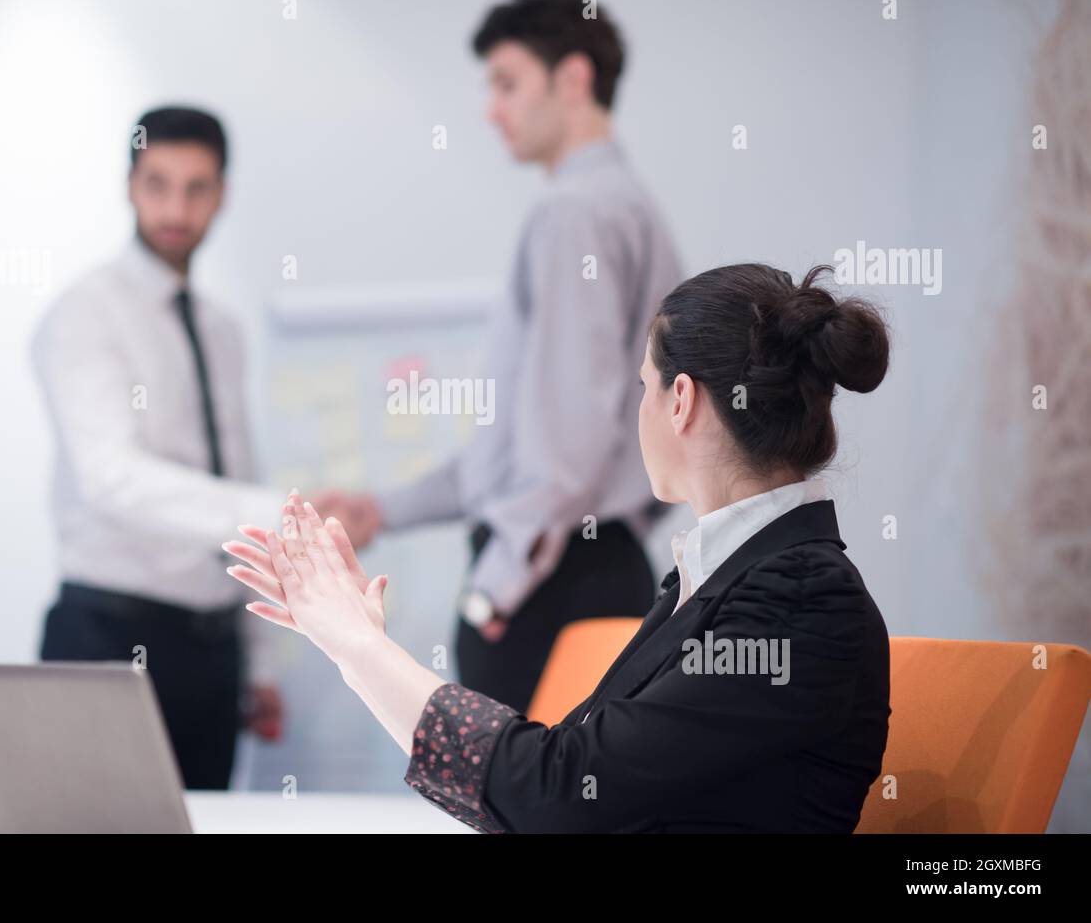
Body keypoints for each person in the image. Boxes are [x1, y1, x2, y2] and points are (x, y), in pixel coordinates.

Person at [225, 262, 893, 832]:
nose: (639, 409)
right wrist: (358, 651)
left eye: (643, 387)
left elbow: (560, 793)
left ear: (680, 399)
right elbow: (558, 784)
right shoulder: (730, 577)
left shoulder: (798, 599)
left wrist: (361, 649)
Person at [317, 0, 683, 714]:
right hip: (594, 565)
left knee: (518, 811)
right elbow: (535, 445)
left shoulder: (573, 213)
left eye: (507, 82)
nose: (491, 108)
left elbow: (566, 449)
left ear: (574, 78)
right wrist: (383, 508)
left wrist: (494, 588)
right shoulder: (632, 207)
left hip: (545, 589)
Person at [31, 106, 289, 789]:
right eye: (159, 183)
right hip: (108, 639)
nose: (177, 207)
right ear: (129, 185)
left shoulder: (223, 331)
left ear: (222, 194)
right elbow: (110, 477)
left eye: (197, 187)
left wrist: (259, 658)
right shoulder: (85, 312)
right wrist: (282, 510)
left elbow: (233, 476)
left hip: (212, 652)